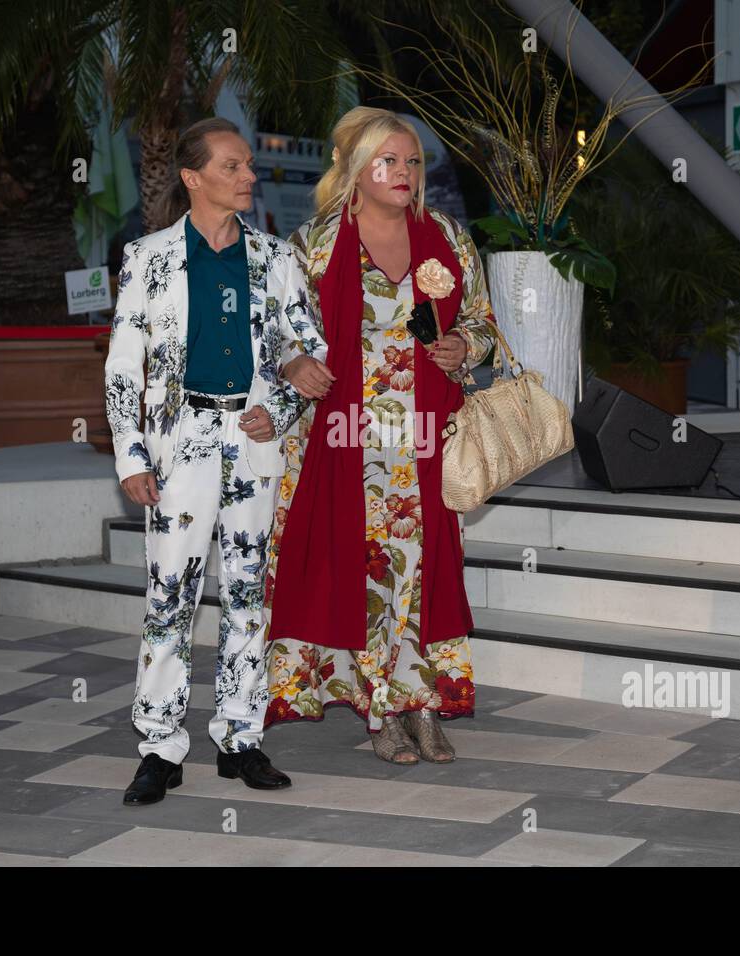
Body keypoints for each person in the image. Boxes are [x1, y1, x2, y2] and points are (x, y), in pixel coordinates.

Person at [263, 107, 498, 764]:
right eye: (388, 161)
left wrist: (461, 345)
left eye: (413, 161)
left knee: (423, 576)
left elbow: (482, 321)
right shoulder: (311, 243)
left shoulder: (447, 236)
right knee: (362, 576)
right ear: (355, 171)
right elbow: (274, 331)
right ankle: (380, 712)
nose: (403, 173)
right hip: (341, 443)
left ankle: (422, 703)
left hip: (423, 437)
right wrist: (294, 362)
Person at [104, 117, 326, 804]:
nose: (249, 177)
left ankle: (240, 738)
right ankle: (161, 747)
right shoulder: (148, 258)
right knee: (169, 596)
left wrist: (281, 407)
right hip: (179, 446)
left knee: (248, 594)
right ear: (193, 178)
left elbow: (312, 354)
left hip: (252, 442)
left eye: (249, 165)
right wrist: (130, 456)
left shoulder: (276, 257)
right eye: (233, 167)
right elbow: (123, 366)